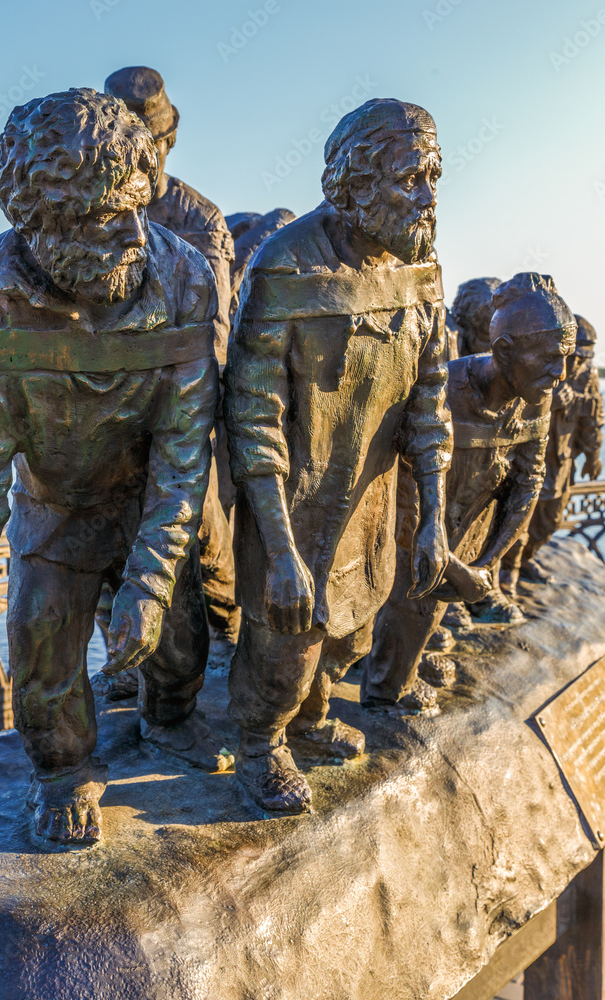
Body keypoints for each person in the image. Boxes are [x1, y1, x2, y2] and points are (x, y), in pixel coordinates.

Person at [0, 89, 231, 846]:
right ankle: (62, 772)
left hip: (146, 499)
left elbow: (184, 452)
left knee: (179, 646)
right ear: (38, 218)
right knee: (41, 648)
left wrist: (152, 582)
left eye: (140, 204)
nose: (136, 232)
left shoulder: (185, 277)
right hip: (53, 507)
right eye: (105, 216)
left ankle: (168, 721)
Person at [224, 98, 453, 814]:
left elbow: (430, 403)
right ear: (352, 184)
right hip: (292, 507)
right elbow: (254, 417)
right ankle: (261, 745)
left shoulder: (422, 270)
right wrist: (280, 547)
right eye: (408, 178)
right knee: (285, 647)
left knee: (351, 633)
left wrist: (435, 517)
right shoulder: (285, 267)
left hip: (370, 502)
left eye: (433, 177)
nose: (426, 197)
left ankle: (315, 717)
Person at [359, 273, 576, 710]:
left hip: (464, 531)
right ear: (504, 352)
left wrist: (486, 565)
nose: (562, 371)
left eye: (566, 357)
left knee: (427, 611)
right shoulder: (444, 392)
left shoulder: (538, 395)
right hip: (414, 528)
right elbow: (403, 488)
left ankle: (396, 673)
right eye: (550, 357)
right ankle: (382, 692)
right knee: (403, 603)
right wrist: (453, 564)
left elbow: (528, 481)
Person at [103, 64, 239, 648]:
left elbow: (209, 332)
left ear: (167, 142)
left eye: (147, 145)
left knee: (202, 538)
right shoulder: (93, 212)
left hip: (178, 407)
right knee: (103, 541)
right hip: (102, 409)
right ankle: (121, 659)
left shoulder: (197, 220)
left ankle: (230, 638)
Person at [502, 314, 603, 592]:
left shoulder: (588, 376)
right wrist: (551, 402)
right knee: (518, 520)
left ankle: (526, 560)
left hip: (561, 462)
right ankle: (506, 573)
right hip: (528, 462)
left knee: (551, 521)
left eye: (584, 359)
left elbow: (592, 416)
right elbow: (509, 413)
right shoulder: (538, 368)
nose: (578, 364)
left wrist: (593, 454)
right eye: (574, 357)